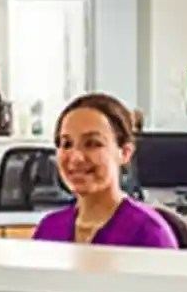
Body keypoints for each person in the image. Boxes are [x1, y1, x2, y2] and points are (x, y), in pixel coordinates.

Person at [32, 93, 178, 249]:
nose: (76, 158)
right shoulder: (49, 229)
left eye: (92, 143)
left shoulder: (149, 233)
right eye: (66, 144)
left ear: (125, 152)